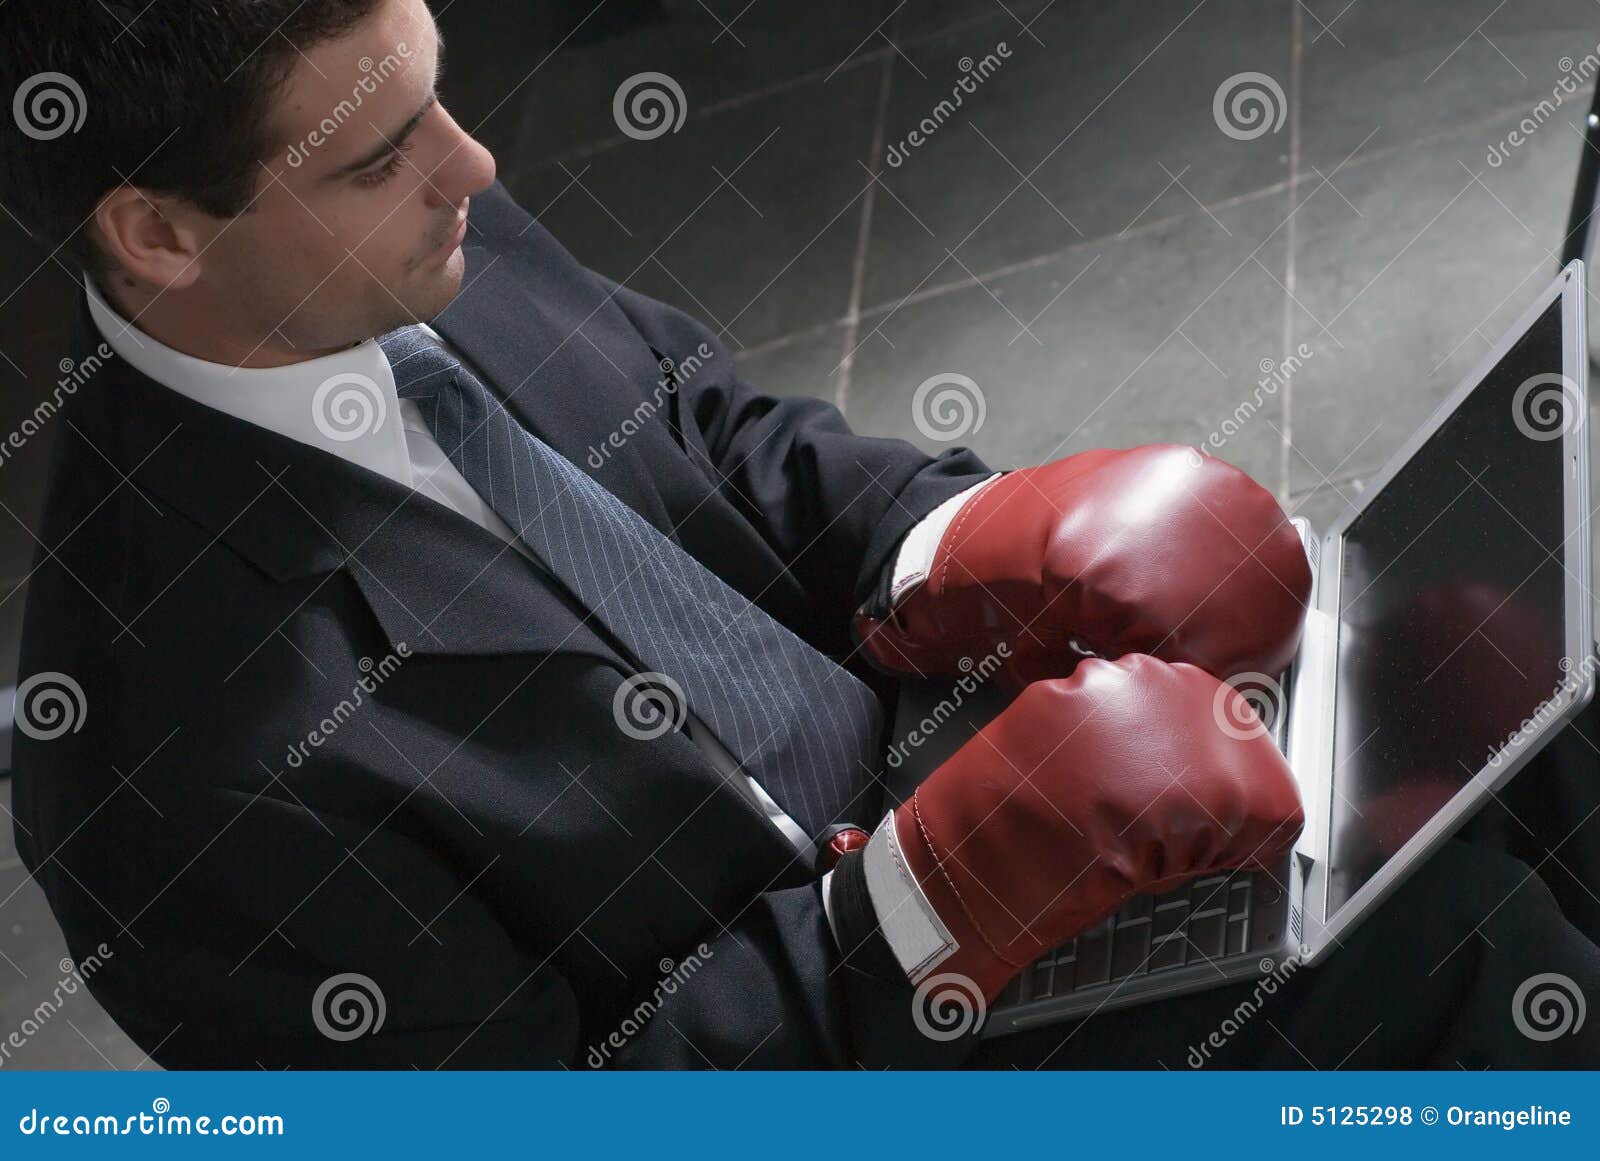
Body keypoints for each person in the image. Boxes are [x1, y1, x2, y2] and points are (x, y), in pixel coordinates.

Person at [1, 1, 1592, 1070]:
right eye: (378, 156)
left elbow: (703, 429)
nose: (471, 168)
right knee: (1458, 944)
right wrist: (911, 909)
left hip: (958, 759)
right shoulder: (159, 779)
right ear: (156, 231)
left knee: (1491, 701)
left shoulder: (408, 229)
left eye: (438, 100)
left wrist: (953, 538)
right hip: (869, 1036)